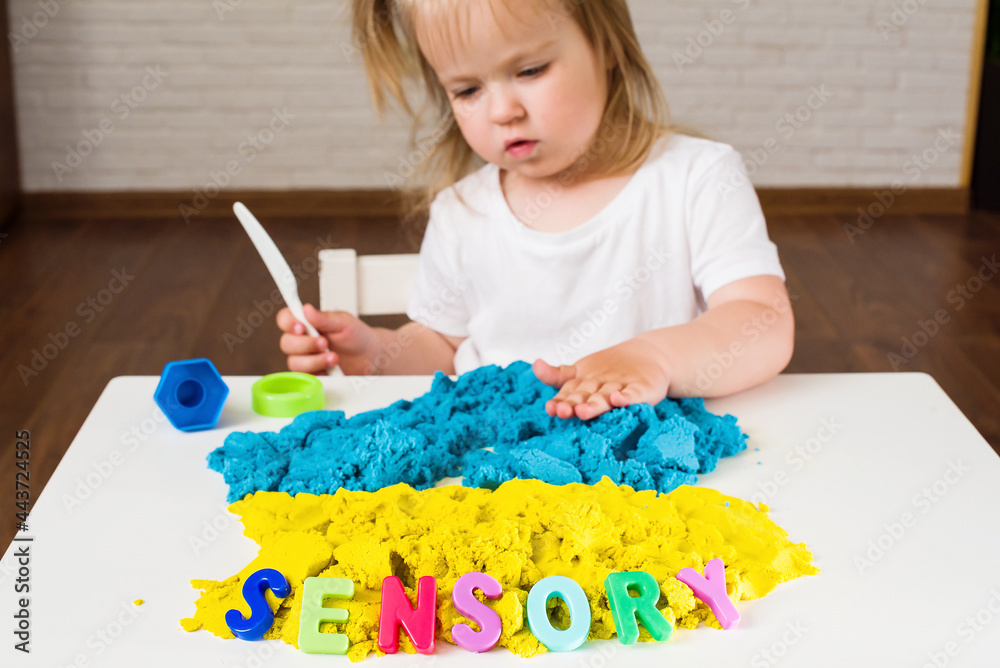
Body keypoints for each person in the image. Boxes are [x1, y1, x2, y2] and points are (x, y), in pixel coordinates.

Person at [277, 0, 794, 421]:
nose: (503, 111)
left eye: (530, 70)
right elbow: (440, 345)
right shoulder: (461, 212)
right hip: (495, 476)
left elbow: (761, 322)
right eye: (468, 89)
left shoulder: (694, 179)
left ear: (606, 45)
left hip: (654, 477)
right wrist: (373, 353)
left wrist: (653, 357)